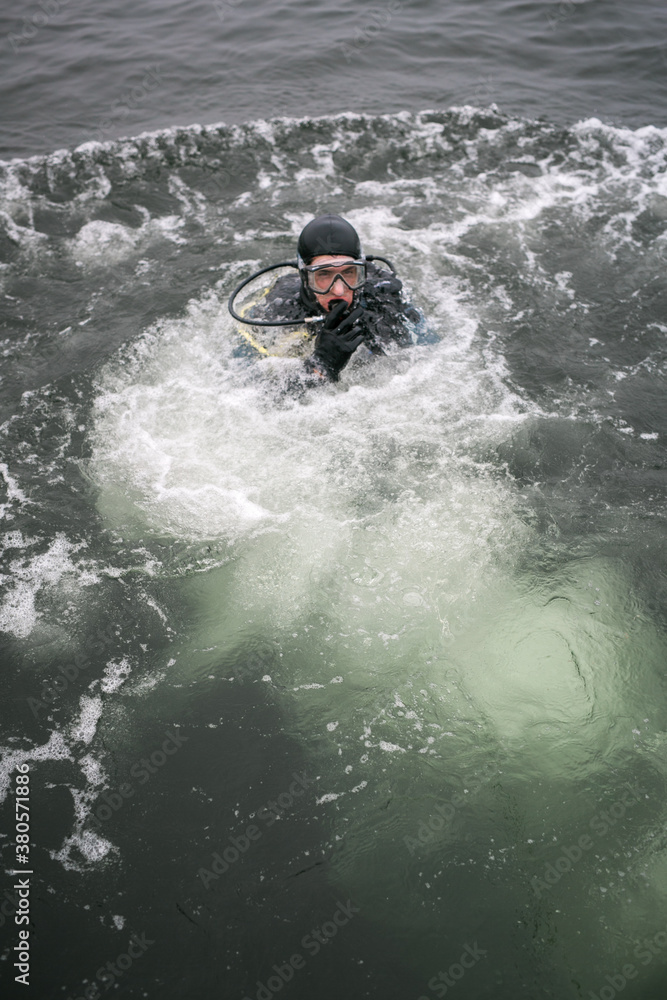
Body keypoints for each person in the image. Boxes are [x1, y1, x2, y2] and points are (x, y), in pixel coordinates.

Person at [231, 214, 425, 383]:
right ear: (305, 278)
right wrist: (321, 364)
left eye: (349, 272)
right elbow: (255, 399)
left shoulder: (383, 296)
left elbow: (426, 358)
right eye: (323, 275)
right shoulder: (276, 315)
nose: (339, 290)